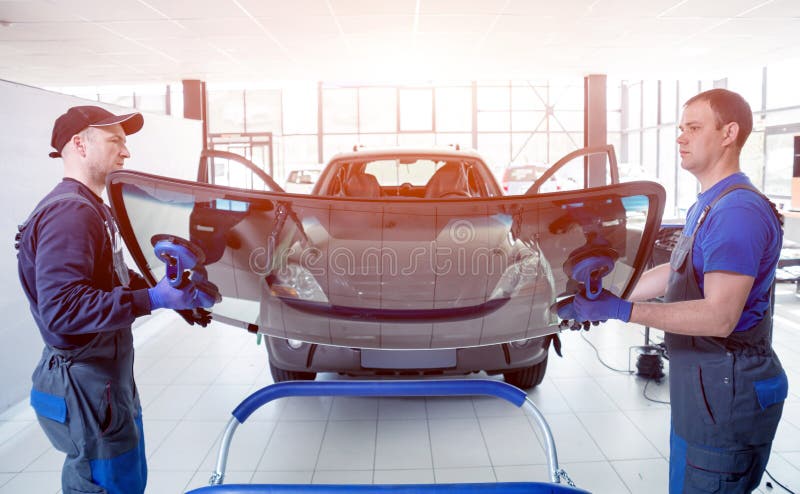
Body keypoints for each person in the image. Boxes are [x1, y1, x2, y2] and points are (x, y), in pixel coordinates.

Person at [559, 88, 788, 492]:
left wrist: (620, 312)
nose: (680, 137)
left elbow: (720, 315)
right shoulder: (710, 203)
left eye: (694, 128)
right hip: (704, 392)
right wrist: (606, 295)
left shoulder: (737, 211)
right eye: (681, 128)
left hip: (727, 395)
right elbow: (675, 270)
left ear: (728, 133)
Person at [16, 106, 217, 494]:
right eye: (115, 142)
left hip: (105, 376)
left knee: (125, 473)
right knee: (107, 482)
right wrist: (153, 299)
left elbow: (109, 280)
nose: (126, 153)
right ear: (79, 144)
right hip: (86, 382)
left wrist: (171, 296)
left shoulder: (92, 207)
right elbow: (63, 309)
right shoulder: (71, 213)